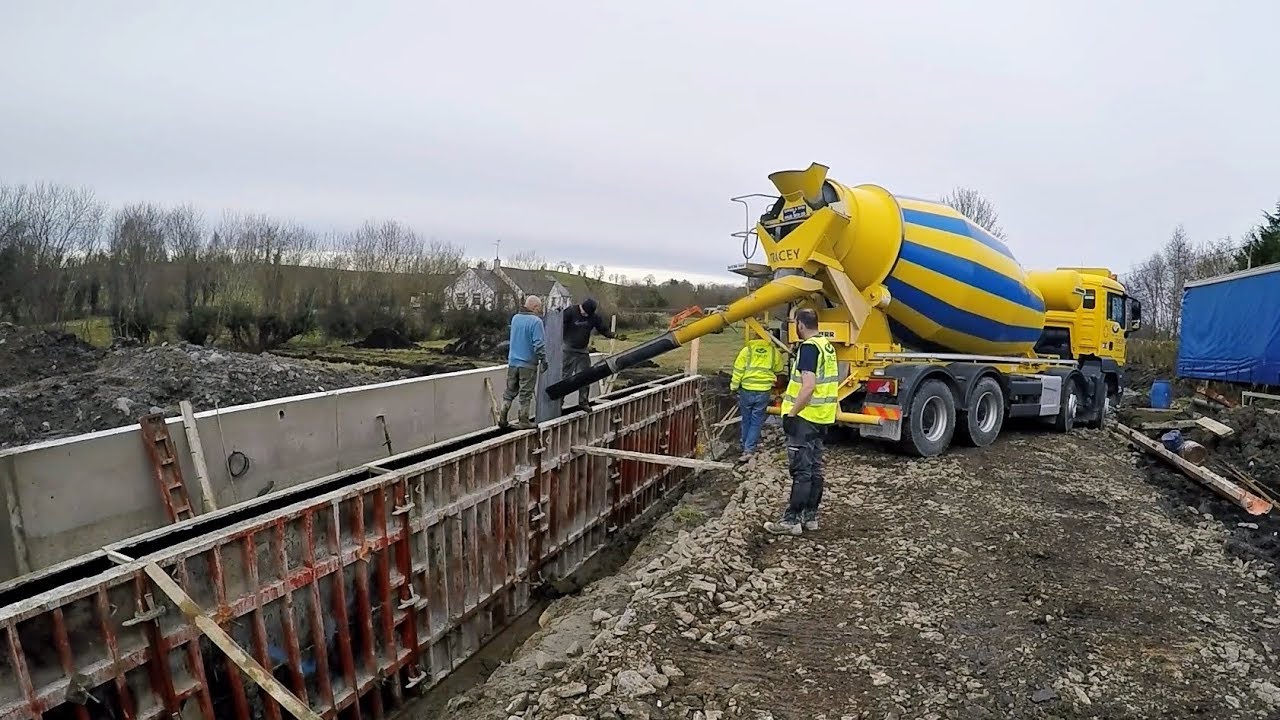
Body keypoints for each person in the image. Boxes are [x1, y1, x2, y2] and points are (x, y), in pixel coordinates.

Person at [764, 308, 839, 536]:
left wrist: (792, 414)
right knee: (815, 469)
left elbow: (808, 386)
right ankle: (810, 517)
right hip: (822, 418)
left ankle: (792, 521)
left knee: (801, 471)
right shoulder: (826, 346)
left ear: (800, 325)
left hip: (805, 418)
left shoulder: (808, 348)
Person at [729, 333, 783, 462]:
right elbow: (779, 368)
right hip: (763, 390)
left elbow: (738, 371)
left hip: (746, 390)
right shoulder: (773, 351)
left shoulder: (747, 351)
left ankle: (744, 444)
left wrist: (734, 387)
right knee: (756, 420)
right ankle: (749, 449)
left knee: (746, 418)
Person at [499, 295, 547, 429]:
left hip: (513, 362)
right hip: (528, 364)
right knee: (525, 394)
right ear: (535, 307)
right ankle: (523, 420)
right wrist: (544, 360)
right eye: (539, 308)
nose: (539, 311)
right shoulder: (536, 322)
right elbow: (538, 345)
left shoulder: (515, 318)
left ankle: (502, 418)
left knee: (509, 392)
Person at [561, 297, 615, 411]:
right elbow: (559, 326)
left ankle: (583, 402)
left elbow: (602, 328)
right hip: (568, 350)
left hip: (582, 350)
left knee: (585, 376)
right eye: (584, 313)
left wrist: (611, 335)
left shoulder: (593, 317)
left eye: (587, 314)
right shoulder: (570, 312)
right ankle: (559, 403)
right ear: (581, 307)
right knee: (564, 377)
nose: (585, 316)